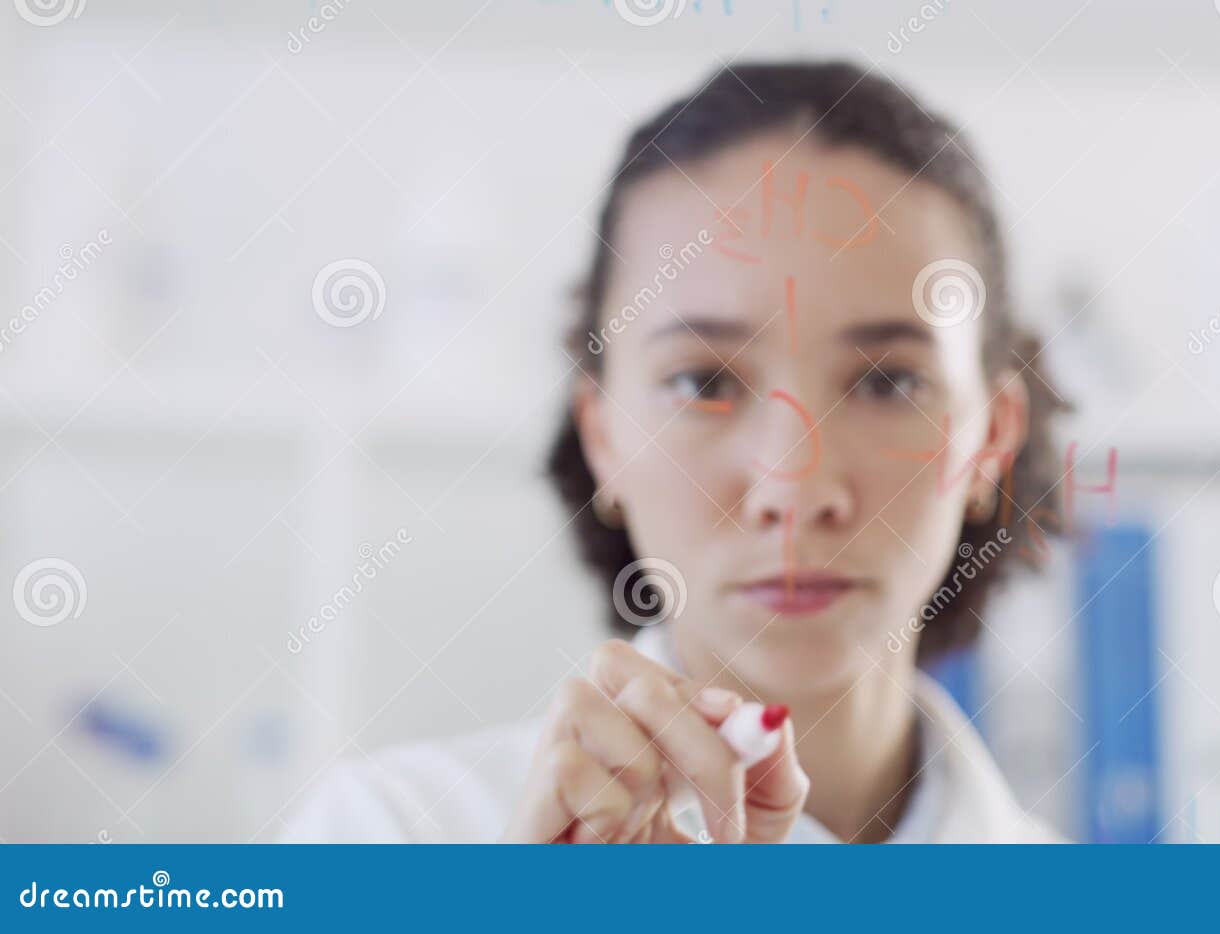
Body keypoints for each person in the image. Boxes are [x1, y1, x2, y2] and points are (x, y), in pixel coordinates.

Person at [280, 60, 1068, 844]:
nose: (793, 486)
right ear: (603, 433)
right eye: (703, 383)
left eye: (888, 384)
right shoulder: (388, 839)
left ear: (992, 437)